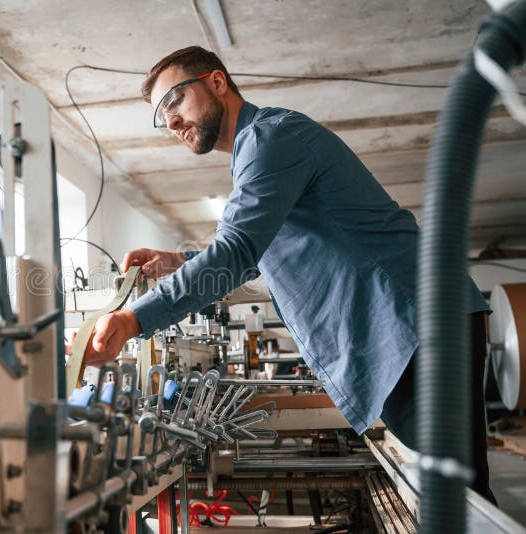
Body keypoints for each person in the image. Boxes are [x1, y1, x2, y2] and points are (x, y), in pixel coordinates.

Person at [86, 46, 495, 502]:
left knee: (462, 499)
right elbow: (264, 256)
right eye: (162, 116)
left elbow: (237, 250)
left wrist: (134, 319)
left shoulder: (270, 138)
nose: (171, 121)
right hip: (407, 328)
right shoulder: (258, 152)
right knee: (455, 495)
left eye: (174, 100)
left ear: (216, 82)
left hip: (417, 322)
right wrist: (179, 260)